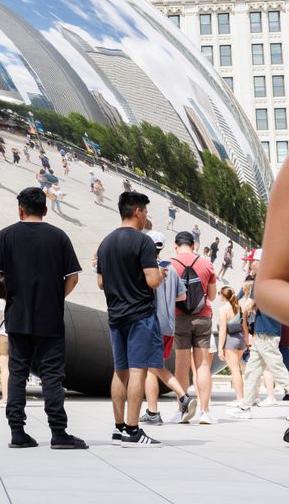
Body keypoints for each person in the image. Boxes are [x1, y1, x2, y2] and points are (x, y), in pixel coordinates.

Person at [0, 187, 86, 449]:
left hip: (18, 316)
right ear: (45, 209)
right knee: (53, 375)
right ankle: (59, 433)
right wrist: (55, 297)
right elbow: (73, 276)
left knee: (18, 373)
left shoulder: (6, 235)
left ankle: (17, 433)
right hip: (50, 317)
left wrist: (13, 280)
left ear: (20, 209)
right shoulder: (59, 236)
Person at [96, 191, 165, 447]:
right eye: (145, 211)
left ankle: (118, 428)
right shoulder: (143, 242)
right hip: (140, 315)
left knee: (120, 371)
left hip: (116, 315)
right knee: (139, 370)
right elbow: (153, 280)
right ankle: (134, 430)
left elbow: (101, 282)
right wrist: (160, 274)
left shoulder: (106, 242)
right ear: (137, 211)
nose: (146, 217)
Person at [139, 231, 197, 427]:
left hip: (151, 323)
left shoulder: (146, 268)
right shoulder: (170, 268)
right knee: (152, 367)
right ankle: (152, 411)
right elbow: (182, 296)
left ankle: (182, 398)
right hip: (169, 325)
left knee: (153, 367)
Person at [168, 231, 218, 423]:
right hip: (203, 317)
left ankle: (182, 410)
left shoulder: (169, 264)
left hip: (179, 318)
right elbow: (212, 296)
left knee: (181, 364)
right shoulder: (206, 263)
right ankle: (205, 412)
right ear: (194, 245)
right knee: (203, 364)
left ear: (175, 245)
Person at [228, 278, 289, 419]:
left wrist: (246, 306)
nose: (251, 264)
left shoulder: (261, 282)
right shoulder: (275, 283)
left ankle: (245, 407)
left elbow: (248, 306)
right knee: (252, 370)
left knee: (278, 370)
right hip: (265, 332)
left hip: (266, 333)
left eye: (253, 260)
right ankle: (245, 407)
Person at [216, 286, 248, 407]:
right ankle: (241, 397)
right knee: (238, 370)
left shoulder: (223, 309)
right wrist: (246, 341)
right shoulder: (239, 307)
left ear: (223, 296)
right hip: (240, 340)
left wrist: (220, 348)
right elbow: (245, 326)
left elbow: (223, 330)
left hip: (231, 340)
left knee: (234, 370)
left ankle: (240, 398)